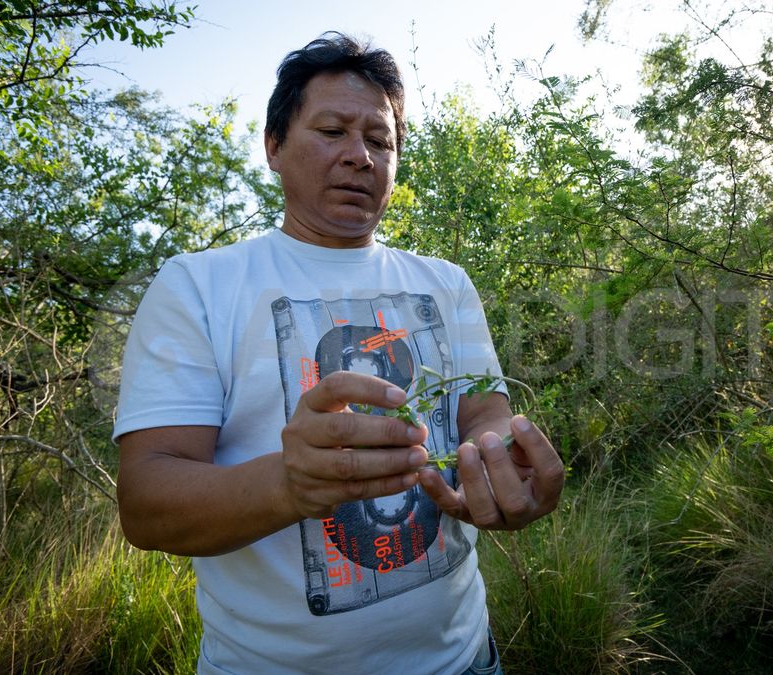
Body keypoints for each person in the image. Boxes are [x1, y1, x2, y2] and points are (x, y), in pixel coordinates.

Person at [113, 32, 564, 675]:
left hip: (465, 659)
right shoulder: (199, 285)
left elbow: (481, 415)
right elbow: (147, 503)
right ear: (273, 146)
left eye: (380, 141)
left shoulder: (445, 283)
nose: (360, 156)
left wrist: (498, 464)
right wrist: (289, 484)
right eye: (332, 131)